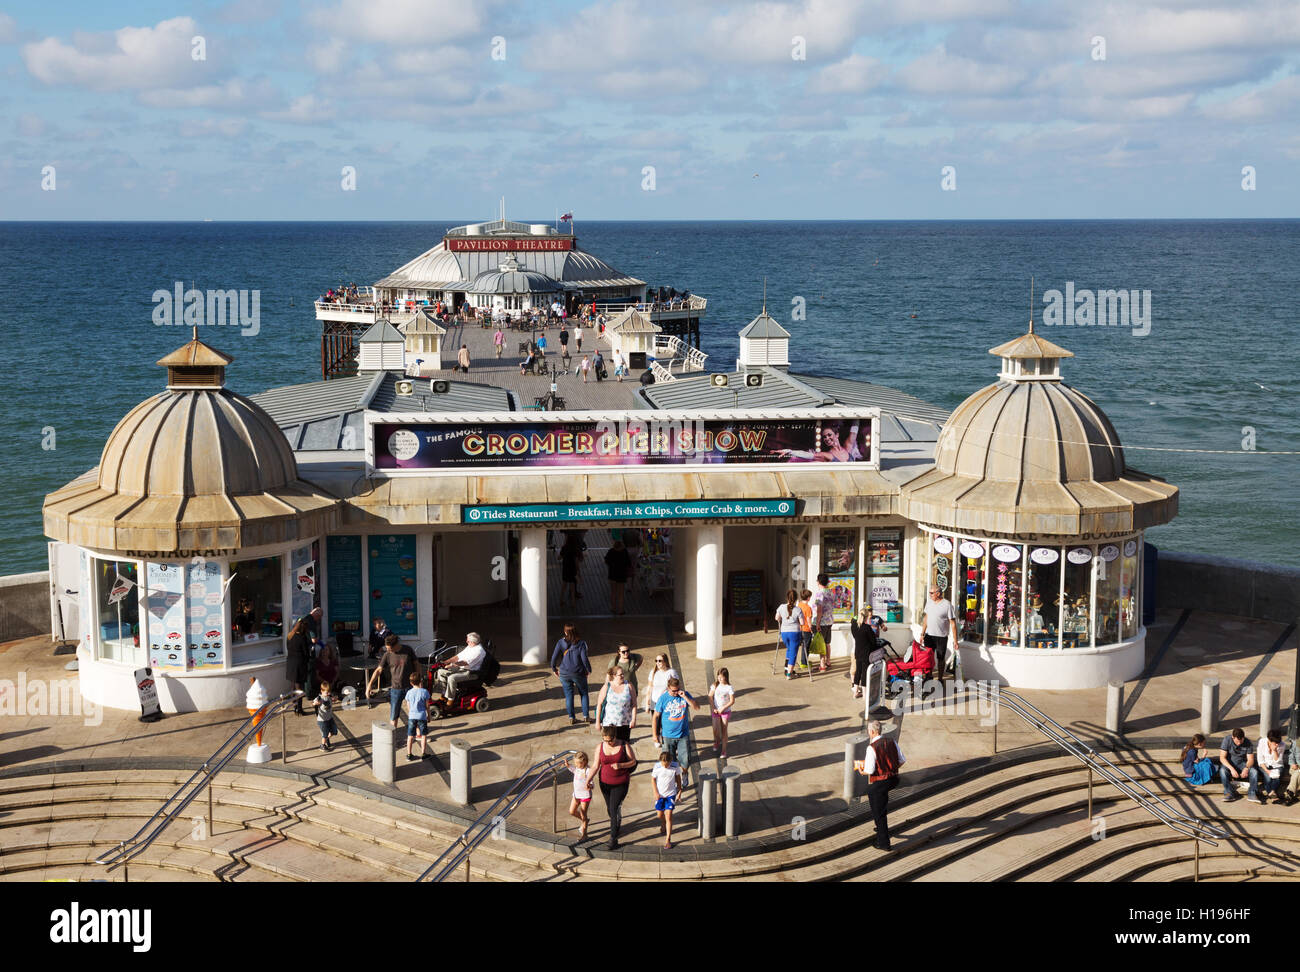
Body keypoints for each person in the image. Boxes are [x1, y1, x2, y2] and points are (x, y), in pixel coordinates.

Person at [855, 719, 904, 851]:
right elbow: (902, 760)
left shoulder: (872, 748)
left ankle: (884, 843)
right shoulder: (892, 741)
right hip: (894, 779)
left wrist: (861, 770)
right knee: (877, 799)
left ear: (871, 731)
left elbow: (869, 771)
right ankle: (879, 824)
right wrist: (891, 769)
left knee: (879, 811)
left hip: (881, 782)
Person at [596, 725, 637, 850]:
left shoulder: (624, 745)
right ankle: (617, 819)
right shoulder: (600, 746)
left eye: (610, 740)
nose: (608, 743)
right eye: (605, 740)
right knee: (610, 809)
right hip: (604, 783)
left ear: (615, 736)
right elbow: (595, 766)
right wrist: (587, 780)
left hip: (621, 783)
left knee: (613, 810)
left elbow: (633, 761)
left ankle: (613, 839)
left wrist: (621, 765)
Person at [366, 633, 420, 729]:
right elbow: (378, 670)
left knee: (415, 712)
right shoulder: (387, 655)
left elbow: (416, 664)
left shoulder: (408, 650)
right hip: (396, 689)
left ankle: (418, 734)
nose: (388, 650)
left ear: (396, 645)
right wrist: (369, 685)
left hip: (410, 687)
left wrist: (419, 681)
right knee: (394, 715)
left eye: (390, 648)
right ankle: (392, 737)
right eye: (387, 648)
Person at [654, 678, 700, 783]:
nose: (675, 693)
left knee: (686, 759)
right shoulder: (663, 698)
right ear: (668, 688)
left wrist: (685, 697)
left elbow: (697, 707)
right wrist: (654, 734)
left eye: (677, 690)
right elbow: (655, 716)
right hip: (668, 735)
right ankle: (674, 779)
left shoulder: (684, 695)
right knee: (669, 760)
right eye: (673, 691)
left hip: (683, 734)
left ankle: (684, 773)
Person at [550, 623, 593, 725]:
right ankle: (586, 716)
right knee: (583, 694)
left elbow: (553, 658)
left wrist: (554, 669)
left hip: (564, 673)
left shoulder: (560, 642)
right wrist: (588, 670)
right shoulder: (581, 643)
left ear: (565, 632)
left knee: (569, 696)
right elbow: (584, 659)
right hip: (578, 673)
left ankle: (571, 718)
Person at [922, 585, 958, 678]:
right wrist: (922, 633)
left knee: (940, 659)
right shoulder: (929, 603)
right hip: (929, 635)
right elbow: (926, 618)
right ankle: (928, 677)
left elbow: (953, 624)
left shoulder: (947, 605)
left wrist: (955, 641)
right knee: (928, 658)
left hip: (941, 637)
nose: (930, 595)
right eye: (929, 592)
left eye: (931, 593)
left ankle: (940, 678)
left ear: (938, 593)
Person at [440, 631, 487, 701]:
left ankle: (450, 700)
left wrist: (451, 665)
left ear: (473, 642)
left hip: (471, 673)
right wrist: (446, 662)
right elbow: (458, 657)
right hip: (462, 669)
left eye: (468, 641)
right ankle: (445, 694)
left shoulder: (479, 651)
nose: (466, 641)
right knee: (440, 672)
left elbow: (465, 662)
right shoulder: (470, 647)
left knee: (452, 678)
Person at [651, 751, 683, 849]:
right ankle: (663, 823)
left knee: (668, 816)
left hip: (671, 794)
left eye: (667, 764)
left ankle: (668, 839)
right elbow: (653, 779)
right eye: (663, 764)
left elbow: (678, 778)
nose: (665, 766)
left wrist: (679, 791)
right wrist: (655, 792)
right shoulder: (657, 766)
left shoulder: (675, 766)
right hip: (660, 795)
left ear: (670, 761)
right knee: (660, 815)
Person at [596, 665, 636, 742]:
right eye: (620, 674)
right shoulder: (607, 686)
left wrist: (633, 720)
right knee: (610, 746)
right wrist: (597, 722)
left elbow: (634, 704)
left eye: (623, 674)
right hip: (609, 724)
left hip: (625, 723)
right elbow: (599, 705)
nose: (623, 676)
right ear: (614, 676)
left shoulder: (629, 686)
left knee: (624, 746)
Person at [850, 606, 883, 700]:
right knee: (864, 673)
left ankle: (855, 692)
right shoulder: (867, 628)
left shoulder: (854, 626)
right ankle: (865, 695)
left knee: (858, 672)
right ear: (865, 617)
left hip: (857, 651)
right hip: (866, 653)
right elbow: (873, 641)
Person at [1219, 727, 1258, 803]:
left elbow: (1250, 759)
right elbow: (1222, 758)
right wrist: (1232, 769)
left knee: (1254, 772)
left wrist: (1246, 768)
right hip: (1229, 763)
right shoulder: (1227, 740)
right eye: (1237, 742)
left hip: (1242, 763)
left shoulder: (1248, 742)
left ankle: (1252, 794)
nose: (1239, 743)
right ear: (1233, 737)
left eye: (1241, 741)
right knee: (1222, 771)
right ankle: (1228, 792)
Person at [286, 615, 313, 714]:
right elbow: (306, 653)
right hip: (300, 664)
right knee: (299, 687)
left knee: (293, 686)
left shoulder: (290, 635)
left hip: (291, 664)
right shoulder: (302, 638)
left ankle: (294, 706)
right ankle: (299, 709)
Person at [565, 751, 595, 839]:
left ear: (584, 761)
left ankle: (584, 835)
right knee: (572, 811)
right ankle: (585, 820)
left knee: (583, 813)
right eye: (575, 763)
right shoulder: (577, 768)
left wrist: (590, 786)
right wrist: (568, 766)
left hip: (585, 796)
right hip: (576, 794)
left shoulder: (588, 770)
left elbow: (592, 783)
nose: (577, 765)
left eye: (578, 763)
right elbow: (574, 770)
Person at [775, 589, 803, 679]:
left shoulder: (781, 607)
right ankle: (789, 674)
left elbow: (777, 618)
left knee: (789, 650)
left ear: (787, 597)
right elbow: (802, 623)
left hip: (784, 633)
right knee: (793, 654)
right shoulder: (798, 609)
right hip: (795, 633)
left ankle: (787, 669)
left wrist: (783, 618)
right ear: (796, 599)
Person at [403, 671, 430, 761]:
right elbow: (427, 706)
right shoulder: (425, 692)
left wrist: (411, 712)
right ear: (420, 681)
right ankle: (423, 753)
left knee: (410, 736)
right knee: (423, 735)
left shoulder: (409, 692)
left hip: (412, 716)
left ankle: (409, 754)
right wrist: (428, 716)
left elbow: (408, 705)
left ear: (411, 683)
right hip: (422, 716)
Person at [708, 667, 735, 757]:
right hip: (716, 711)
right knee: (715, 729)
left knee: (724, 730)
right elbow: (710, 696)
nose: (719, 678)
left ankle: (723, 751)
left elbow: (732, 701)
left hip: (725, 712)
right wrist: (713, 707)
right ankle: (716, 741)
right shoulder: (715, 685)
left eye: (721, 677)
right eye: (718, 676)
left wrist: (723, 708)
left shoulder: (729, 687)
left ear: (726, 677)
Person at [812, 574, 836, 673]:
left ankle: (822, 665)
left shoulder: (819, 594)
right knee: (827, 643)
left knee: (821, 643)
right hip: (829, 620)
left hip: (822, 622)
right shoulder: (830, 592)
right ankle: (828, 661)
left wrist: (817, 623)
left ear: (818, 582)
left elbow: (819, 610)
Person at [1257, 729, 1287, 803]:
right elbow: (1260, 759)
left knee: (1276, 777)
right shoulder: (1262, 742)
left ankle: (1271, 793)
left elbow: (1278, 760)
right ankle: (1273, 795)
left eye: (1278, 743)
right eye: (1275, 743)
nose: (1277, 744)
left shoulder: (1282, 744)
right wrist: (1266, 770)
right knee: (1267, 777)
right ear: (1269, 740)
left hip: (1277, 765)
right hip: (1264, 765)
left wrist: (1275, 750)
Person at [310, 681, 339, 752]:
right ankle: (322, 746)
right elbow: (312, 703)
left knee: (334, 731)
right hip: (322, 720)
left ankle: (326, 739)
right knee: (325, 734)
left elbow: (334, 700)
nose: (328, 694)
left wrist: (335, 699)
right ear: (321, 691)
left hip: (330, 718)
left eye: (329, 692)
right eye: (326, 692)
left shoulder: (329, 696)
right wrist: (315, 703)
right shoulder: (319, 698)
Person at [604, 539, 631, 613]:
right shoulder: (624, 552)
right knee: (621, 594)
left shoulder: (611, 551)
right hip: (621, 575)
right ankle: (621, 610)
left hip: (612, 574)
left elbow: (606, 561)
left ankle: (613, 608)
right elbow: (628, 563)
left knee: (613, 592)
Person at [797, 589, 814, 671]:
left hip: (799, 628)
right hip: (806, 629)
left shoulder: (799, 605)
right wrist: (811, 629)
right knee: (806, 646)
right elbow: (809, 621)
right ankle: (804, 662)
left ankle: (804, 661)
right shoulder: (808, 608)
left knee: (803, 645)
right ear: (808, 598)